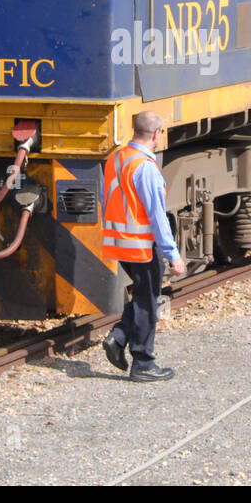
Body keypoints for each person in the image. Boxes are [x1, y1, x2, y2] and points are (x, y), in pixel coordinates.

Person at [100, 110, 186, 382]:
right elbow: (156, 215)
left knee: (142, 296)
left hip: (119, 241)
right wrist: (173, 255)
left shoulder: (117, 157)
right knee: (149, 302)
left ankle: (119, 337)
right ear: (156, 134)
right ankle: (143, 364)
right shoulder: (145, 167)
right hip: (140, 244)